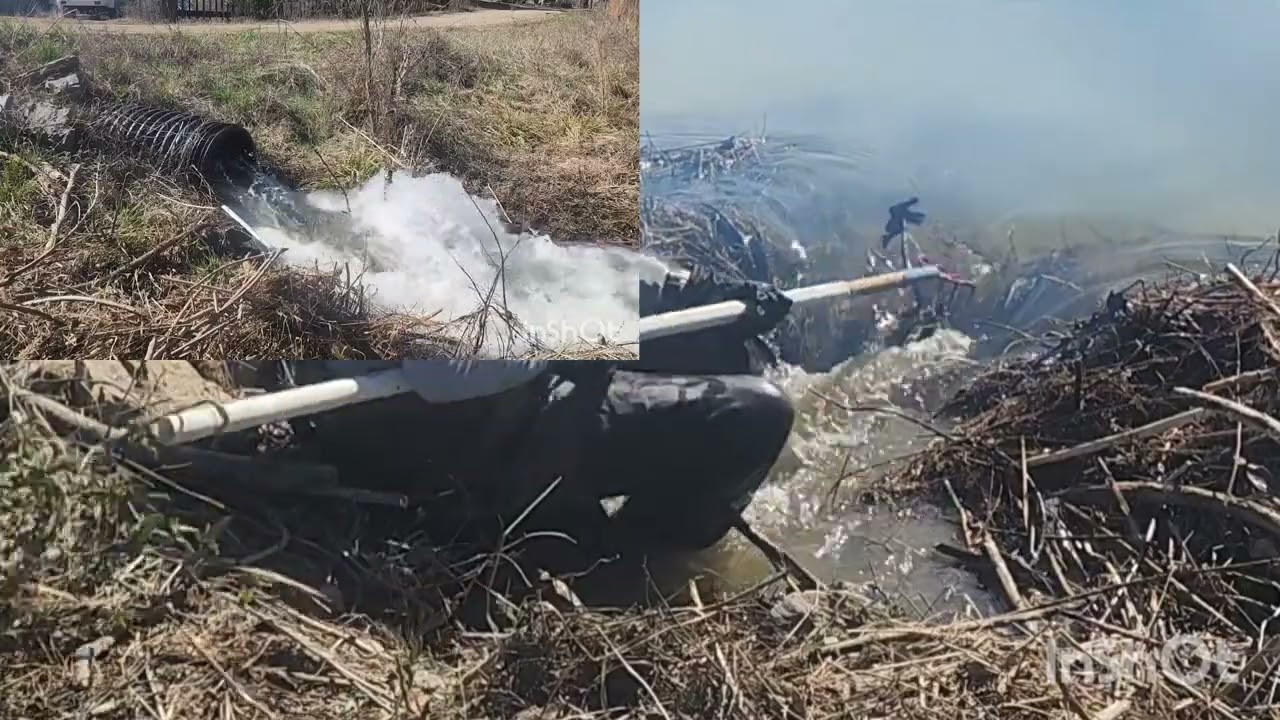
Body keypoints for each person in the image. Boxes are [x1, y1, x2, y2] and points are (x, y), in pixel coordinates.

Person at [276, 268, 795, 554]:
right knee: (756, 414)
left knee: (720, 344)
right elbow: (445, 373)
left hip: (536, 382)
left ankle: (630, 523)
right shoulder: (356, 265)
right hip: (480, 437)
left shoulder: (461, 206)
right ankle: (626, 564)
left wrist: (699, 293)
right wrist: (568, 337)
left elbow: (577, 265)